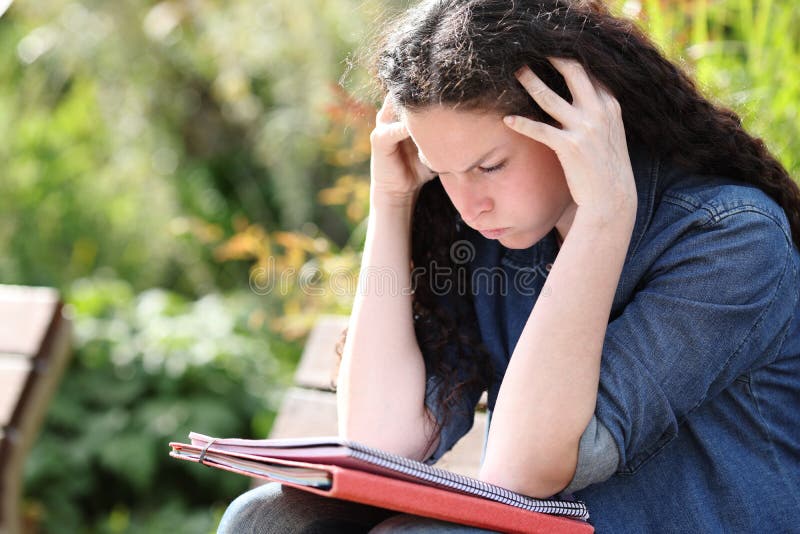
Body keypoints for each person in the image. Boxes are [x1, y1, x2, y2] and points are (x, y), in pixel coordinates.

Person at [218, 0, 800, 532]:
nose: (470, 206)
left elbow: (524, 470)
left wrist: (604, 214)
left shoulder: (730, 239)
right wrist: (391, 201)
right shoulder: (498, 238)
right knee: (265, 520)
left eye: (490, 166)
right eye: (442, 171)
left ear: (575, 121)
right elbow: (378, 445)